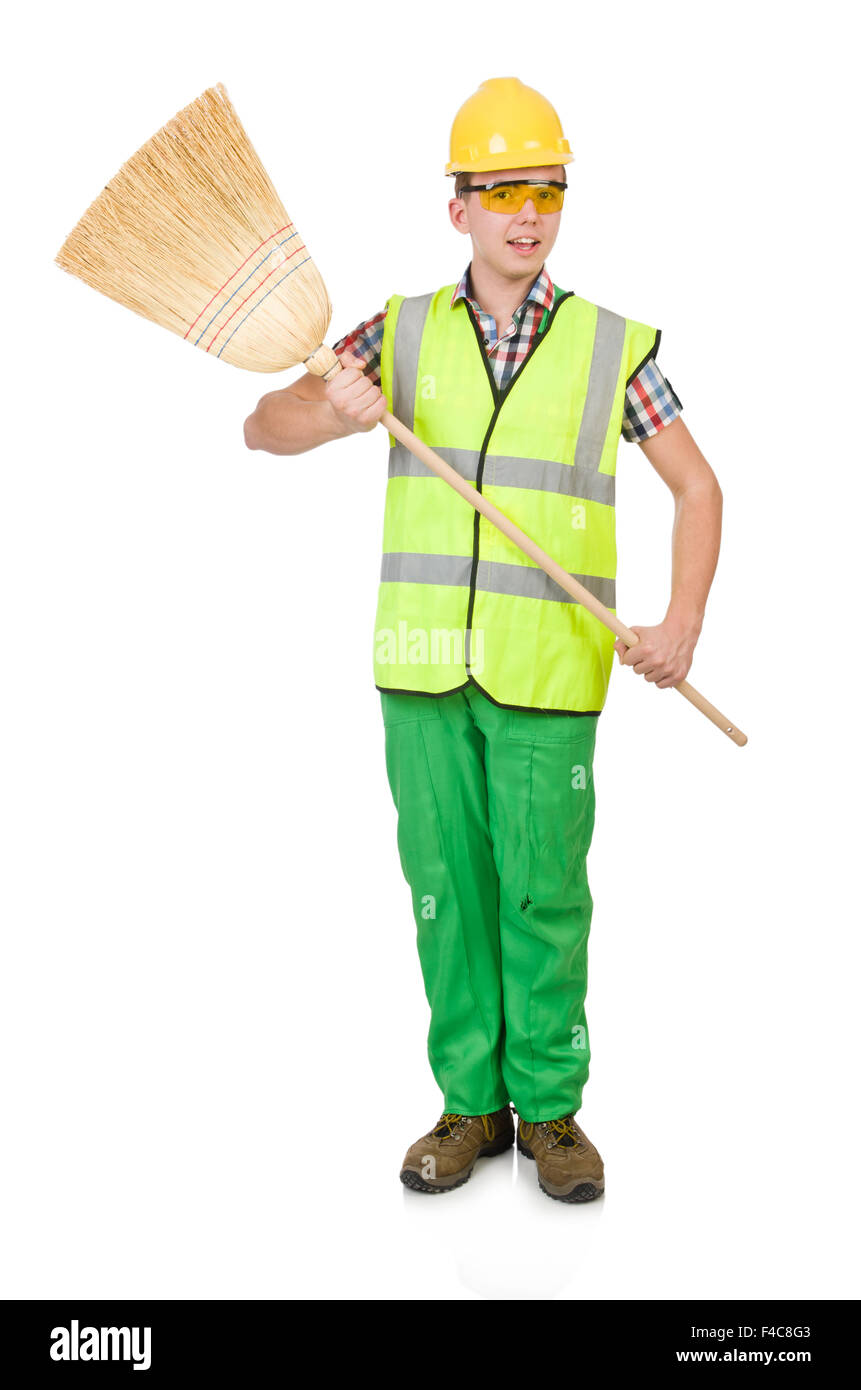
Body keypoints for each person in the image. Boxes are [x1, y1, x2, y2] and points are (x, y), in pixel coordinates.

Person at [243, 77, 723, 1203]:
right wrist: (333, 408)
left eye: (546, 187)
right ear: (456, 206)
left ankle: (551, 1112)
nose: (527, 209)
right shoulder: (396, 332)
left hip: (549, 672)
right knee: (446, 888)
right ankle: (470, 1106)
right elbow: (263, 428)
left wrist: (681, 623)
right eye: (501, 187)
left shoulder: (612, 346)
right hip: (420, 666)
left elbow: (698, 489)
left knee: (542, 893)